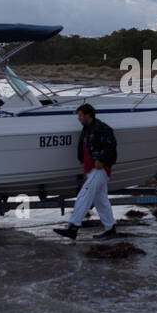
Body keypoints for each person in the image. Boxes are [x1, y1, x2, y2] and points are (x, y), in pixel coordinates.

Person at [54, 103, 118, 240]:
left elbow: (111, 146)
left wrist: (102, 160)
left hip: (99, 170)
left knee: (84, 195)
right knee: (101, 201)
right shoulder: (86, 129)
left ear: (88, 115)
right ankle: (110, 228)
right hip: (91, 170)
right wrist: (82, 160)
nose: (79, 118)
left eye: (81, 115)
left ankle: (73, 227)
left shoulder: (101, 128)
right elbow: (82, 147)